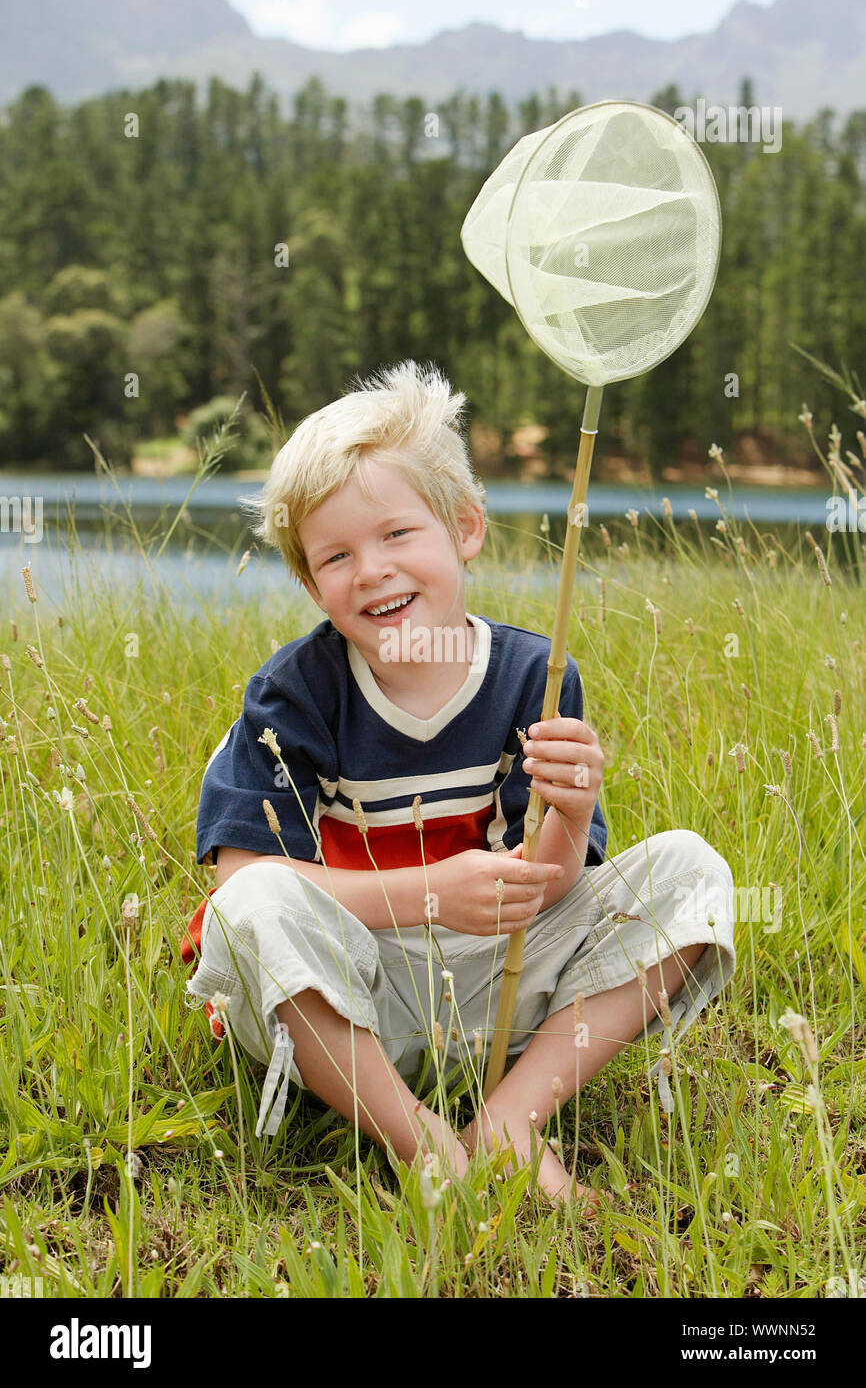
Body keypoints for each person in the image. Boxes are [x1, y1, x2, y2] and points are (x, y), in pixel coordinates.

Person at [185, 359, 736, 1210]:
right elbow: (238, 883)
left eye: (397, 535)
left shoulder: (533, 674)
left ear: (466, 528)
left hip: (492, 995)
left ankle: (510, 1122)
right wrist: (431, 896)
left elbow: (546, 889)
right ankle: (424, 1142)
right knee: (251, 908)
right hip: (346, 996)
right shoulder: (294, 693)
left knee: (690, 871)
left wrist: (573, 810)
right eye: (336, 555)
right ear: (309, 582)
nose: (371, 569)